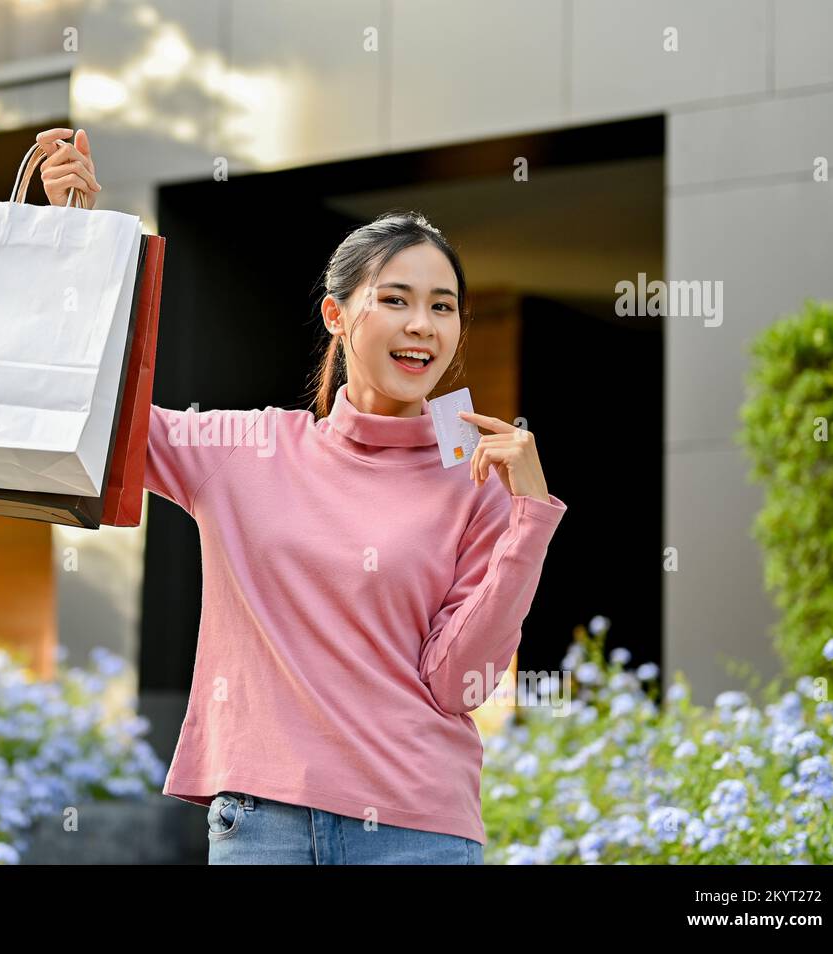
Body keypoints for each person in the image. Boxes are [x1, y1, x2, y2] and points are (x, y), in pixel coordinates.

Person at [34, 127, 568, 865]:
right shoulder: (246, 452)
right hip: (263, 825)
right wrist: (75, 240)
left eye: (443, 307)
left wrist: (529, 520)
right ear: (337, 315)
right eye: (396, 299)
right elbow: (101, 413)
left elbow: (458, 683)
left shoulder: (475, 482)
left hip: (419, 829)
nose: (422, 324)